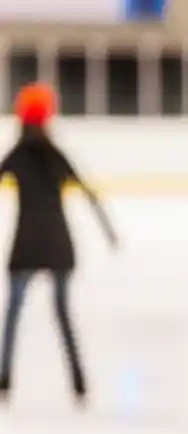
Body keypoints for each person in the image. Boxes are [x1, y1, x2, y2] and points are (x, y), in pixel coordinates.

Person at [0, 83, 118, 405]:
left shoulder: (18, 154)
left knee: (12, 316)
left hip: (25, 245)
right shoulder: (55, 155)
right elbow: (89, 193)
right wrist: (109, 232)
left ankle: (3, 381)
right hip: (57, 245)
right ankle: (79, 383)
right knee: (63, 316)